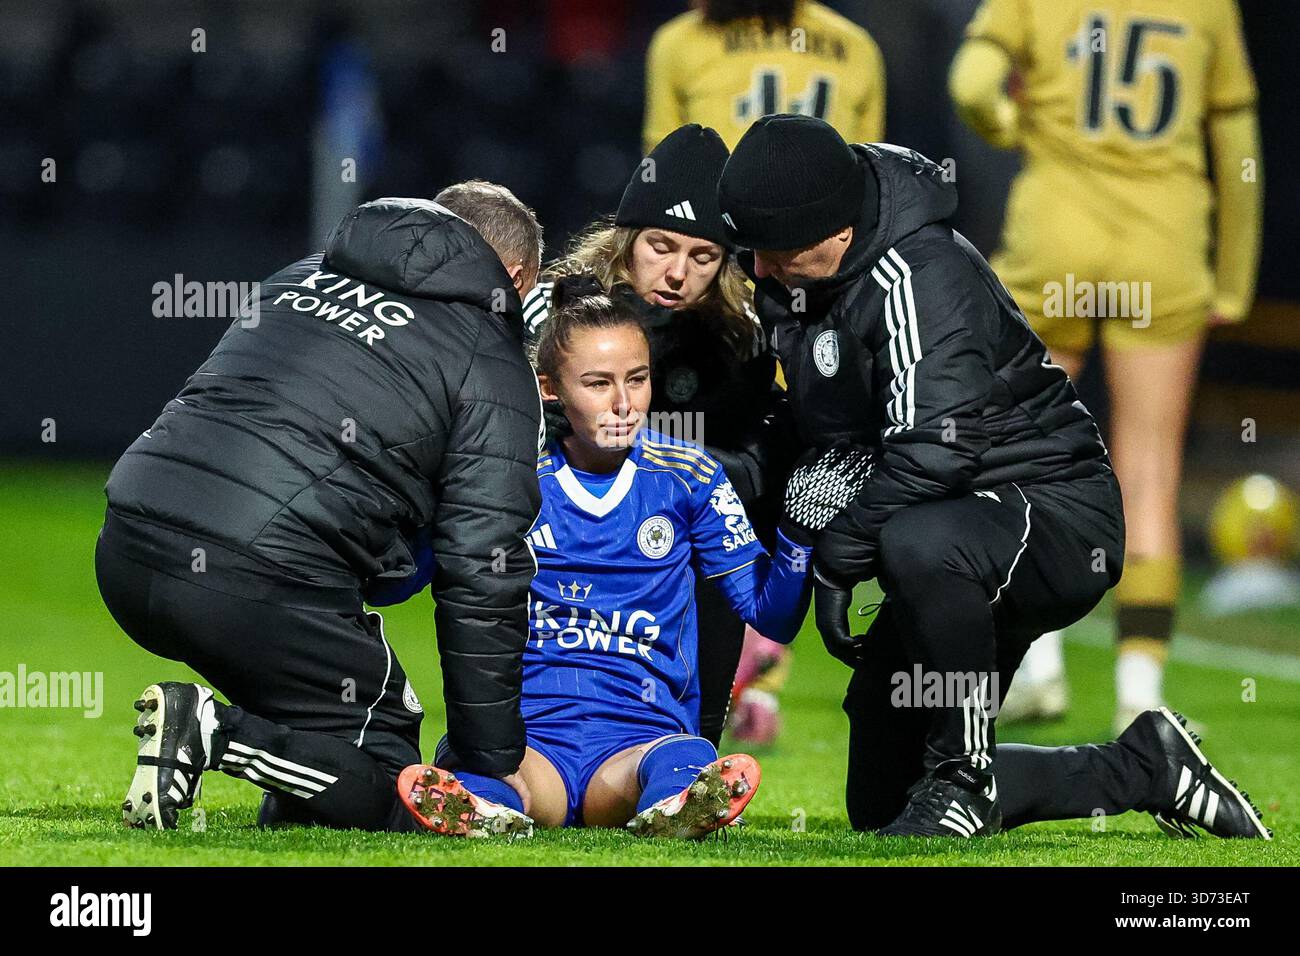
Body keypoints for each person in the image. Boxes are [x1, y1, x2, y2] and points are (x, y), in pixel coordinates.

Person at [715, 114, 1269, 839]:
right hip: (955, 524)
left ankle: (968, 776)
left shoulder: (917, 271)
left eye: (775, 249)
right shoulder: (800, 282)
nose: (758, 268)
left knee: (918, 545)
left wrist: (842, 555)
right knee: (886, 800)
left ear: (837, 233)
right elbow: (826, 429)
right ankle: (1146, 766)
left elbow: (933, 450)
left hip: (1053, 511)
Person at [97, 183, 545, 833]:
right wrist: (487, 756)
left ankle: (279, 772)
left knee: (321, 721)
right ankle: (212, 731)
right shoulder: (489, 351)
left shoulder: (298, 278)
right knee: (391, 769)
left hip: (126, 545)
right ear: (514, 275)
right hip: (253, 578)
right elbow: (484, 566)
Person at [395, 292, 869, 837]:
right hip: (524, 737)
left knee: (682, 757)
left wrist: (796, 535)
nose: (624, 403)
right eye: (598, 384)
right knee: (486, 765)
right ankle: (483, 804)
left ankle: (674, 807)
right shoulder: (511, 475)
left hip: (636, 743)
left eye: (637, 379)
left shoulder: (690, 474)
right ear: (550, 389)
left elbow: (773, 616)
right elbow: (406, 578)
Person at [949, 0, 1263, 731]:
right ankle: (1139, 694)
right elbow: (1238, 143)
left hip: (1055, 235)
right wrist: (1236, 278)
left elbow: (971, 83)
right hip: (1163, 241)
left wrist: (1010, 124)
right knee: (1149, 468)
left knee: (1025, 456)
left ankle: (1039, 666)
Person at [523, 124, 792, 748]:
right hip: (553, 526)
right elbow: (510, 425)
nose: (676, 272)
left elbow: (757, 462)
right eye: (660, 246)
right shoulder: (554, 308)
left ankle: (695, 753)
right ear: (627, 240)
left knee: (719, 539)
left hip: (666, 540)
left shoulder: (740, 336)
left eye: (702, 257)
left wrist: (709, 474)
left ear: (726, 263)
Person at [643, 0, 886, 153]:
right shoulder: (857, 44)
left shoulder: (680, 40)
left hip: (720, 224)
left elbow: (660, 156)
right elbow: (869, 160)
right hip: (825, 223)